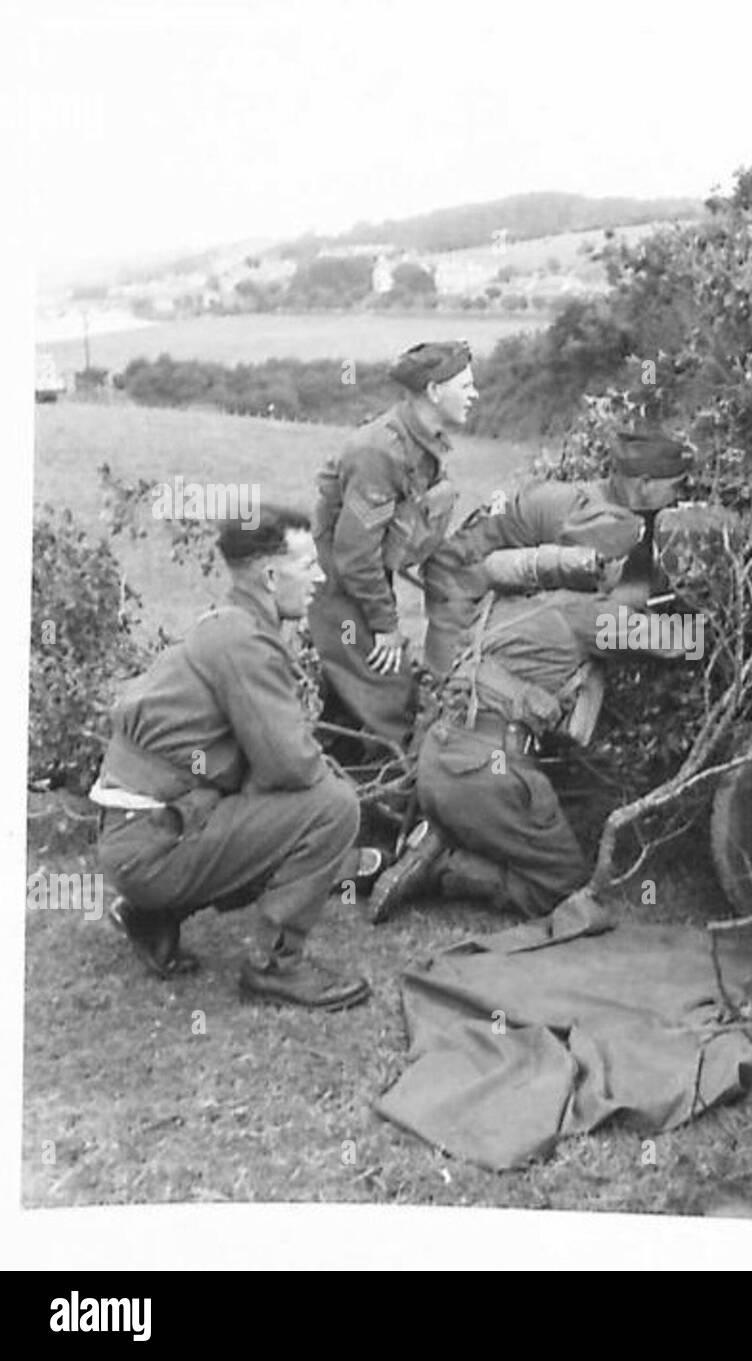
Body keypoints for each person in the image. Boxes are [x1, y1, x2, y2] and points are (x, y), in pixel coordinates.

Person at [93, 506, 372, 1011]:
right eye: (308, 564)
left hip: (139, 836)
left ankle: (152, 915)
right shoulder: (244, 641)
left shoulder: (227, 625)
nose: (321, 576)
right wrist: (318, 770)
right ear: (270, 575)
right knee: (333, 806)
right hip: (149, 845)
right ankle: (275, 969)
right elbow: (291, 767)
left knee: (279, 804)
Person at [368, 565, 690, 923]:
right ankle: (442, 866)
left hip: (435, 765)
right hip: (489, 773)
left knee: (498, 813)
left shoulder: (494, 607)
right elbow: (679, 640)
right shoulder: (580, 613)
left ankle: (440, 832)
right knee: (563, 887)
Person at [421, 430, 691, 680]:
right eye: (675, 487)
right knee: (460, 683)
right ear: (644, 485)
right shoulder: (593, 525)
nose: (678, 496)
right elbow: (599, 620)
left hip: (489, 575)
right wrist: (694, 637)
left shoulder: (603, 506)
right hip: (458, 583)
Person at [309, 340, 475, 746]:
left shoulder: (423, 441)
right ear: (435, 392)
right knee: (390, 696)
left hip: (365, 583)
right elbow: (354, 554)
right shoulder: (380, 452)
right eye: (466, 386)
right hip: (341, 590)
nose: (474, 395)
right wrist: (385, 626)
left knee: (352, 702)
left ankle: (346, 777)